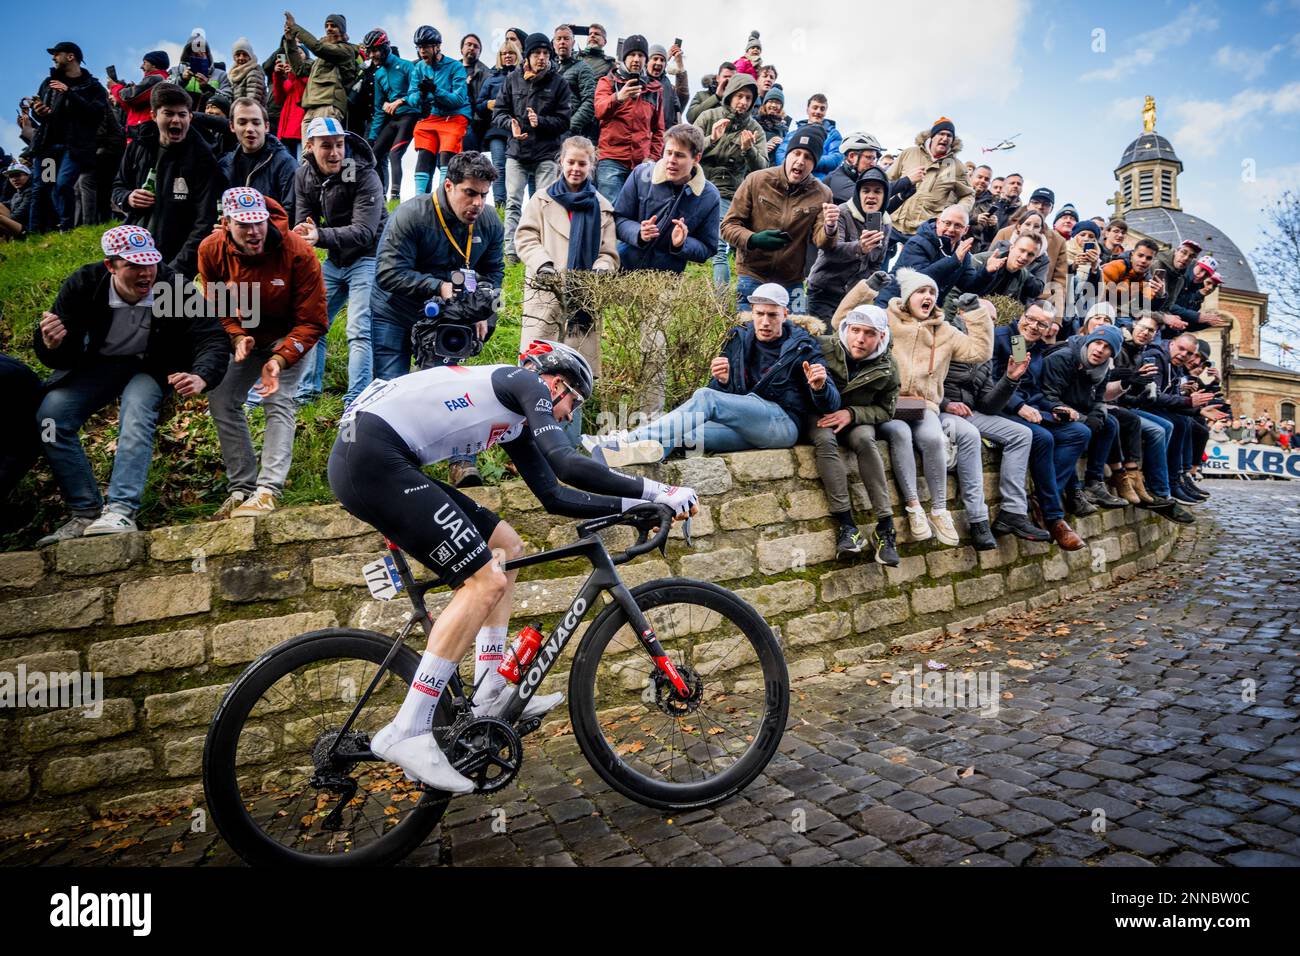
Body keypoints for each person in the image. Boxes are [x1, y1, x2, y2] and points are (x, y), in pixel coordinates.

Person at [328, 341, 698, 791]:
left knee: (505, 545)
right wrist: (657, 490)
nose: (567, 416)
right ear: (555, 383)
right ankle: (408, 728)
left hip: (380, 457)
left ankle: (487, 689)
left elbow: (556, 496)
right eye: (573, 403)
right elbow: (568, 463)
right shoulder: (523, 382)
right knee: (483, 581)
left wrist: (630, 506)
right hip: (372, 460)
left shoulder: (514, 418)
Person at [33, 226, 229, 543]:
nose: (145, 274)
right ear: (111, 266)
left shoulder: (171, 286)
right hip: (99, 366)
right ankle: (85, 512)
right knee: (51, 419)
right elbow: (58, 350)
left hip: (152, 367)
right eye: (134, 266)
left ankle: (121, 509)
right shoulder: (84, 284)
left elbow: (210, 337)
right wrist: (50, 344)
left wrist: (201, 375)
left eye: (149, 263)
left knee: (136, 411)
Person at [370, 151, 505, 490]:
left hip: (450, 318)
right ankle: (392, 469)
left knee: (455, 390)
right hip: (396, 313)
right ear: (448, 185)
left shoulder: (489, 222)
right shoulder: (411, 215)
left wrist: (483, 310)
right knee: (391, 391)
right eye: (470, 193)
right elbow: (387, 272)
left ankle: (462, 464)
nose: (478, 202)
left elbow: (494, 272)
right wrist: (437, 286)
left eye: (484, 195)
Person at [590, 284, 839, 464]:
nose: (764, 321)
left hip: (782, 425)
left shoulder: (803, 345)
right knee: (682, 431)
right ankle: (623, 458)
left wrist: (819, 387)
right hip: (746, 425)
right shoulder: (739, 338)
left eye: (772, 315)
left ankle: (626, 439)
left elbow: (832, 402)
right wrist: (722, 381)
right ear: (752, 312)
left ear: (785, 315)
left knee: (705, 397)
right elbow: (726, 397)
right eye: (759, 314)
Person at [201, 188, 327, 519]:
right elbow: (217, 304)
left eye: (258, 222)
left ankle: (268, 490)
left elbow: (313, 321)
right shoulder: (211, 250)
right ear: (226, 223)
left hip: (291, 334)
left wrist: (280, 358)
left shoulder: (298, 252)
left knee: (278, 397)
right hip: (248, 337)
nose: (254, 231)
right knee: (222, 398)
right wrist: (236, 335)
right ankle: (241, 487)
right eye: (244, 225)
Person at [874, 269, 996, 549]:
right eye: (921, 291)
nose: (927, 296)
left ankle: (939, 511)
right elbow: (842, 322)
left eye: (932, 292)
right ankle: (914, 508)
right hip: (886, 403)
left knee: (932, 438)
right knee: (900, 434)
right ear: (907, 297)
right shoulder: (887, 319)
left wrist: (975, 313)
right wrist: (868, 289)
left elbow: (980, 352)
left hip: (924, 405)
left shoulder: (945, 331)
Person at [515, 135, 618, 439]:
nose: (575, 168)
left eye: (582, 163)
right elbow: (525, 237)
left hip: (582, 304)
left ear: (592, 165)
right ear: (561, 162)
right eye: (570, 162)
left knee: (575, 374)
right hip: (546, 295)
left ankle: (568, 447)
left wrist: (598, 272)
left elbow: (608, 253)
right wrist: (543, 263)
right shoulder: (541, 199)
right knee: (536, 371)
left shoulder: (602, 207)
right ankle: (527, 443)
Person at [292, 117, 387, 406]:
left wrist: (318, 234)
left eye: (339, 145)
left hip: (369, 256)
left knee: (358, 328)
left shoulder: (364, 175)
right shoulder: (304, 175)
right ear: (310, 146)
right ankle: (306, 392)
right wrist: (303, 229)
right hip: (335, 259)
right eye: (326, 146)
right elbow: (302, 218)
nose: (335, 153)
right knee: (311, 323)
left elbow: (364, 231)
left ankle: (357, 398)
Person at [988, 302, 1090, 550]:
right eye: (1030, 319)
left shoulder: (1031, 348)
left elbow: (1032, 391)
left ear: (1049, 329)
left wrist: (1055, 408)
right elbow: (988, 383)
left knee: (1080, 432)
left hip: (1028, 409)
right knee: (1043, 438)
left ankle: (1045, 495)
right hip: (998, 409)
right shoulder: (1004, 338)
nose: (1033, 326)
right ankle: (1054, 517)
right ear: (1021, 316)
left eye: (1041, 324)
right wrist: (1018, 406)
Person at [809, 305, 903, 564]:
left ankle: (885, 526)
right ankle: (847, 527)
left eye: (869, 333)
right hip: (819, 415)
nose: (860, 339)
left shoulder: (888, 365)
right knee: (825, 440)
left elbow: (886, 409)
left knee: (864, 440)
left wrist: (851, 413)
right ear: (846, 329)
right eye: (855, 330)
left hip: (857, 417)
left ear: (881, 336)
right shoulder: (823, 347)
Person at [112, 82, 227, 278]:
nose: (176, 121)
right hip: (134, 255)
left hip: (176, 264)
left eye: (182, 114)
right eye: (168, 113)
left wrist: (175, 271)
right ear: (154, 115)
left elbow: (204, 222)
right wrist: (128, 198)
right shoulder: (138, 146)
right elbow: (118, 187)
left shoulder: (204, 159)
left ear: (190, 117)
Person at [721, 123, 833, 311]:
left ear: (814, 163)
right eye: (796, 153)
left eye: (808, 157)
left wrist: (830, 228)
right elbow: (728, 226)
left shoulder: (823, 194)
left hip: (792, 281)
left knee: (797, 332)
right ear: (787, 155)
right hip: (752, 274)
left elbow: (823, 243)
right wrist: (753, 239)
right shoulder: (756, 180)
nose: (800, 161)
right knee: (745, 332)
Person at [491, 34, 572, 265]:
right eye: (537, 53)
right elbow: (498, 113)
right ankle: (510, 254)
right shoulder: (512, 79)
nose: (542, 58)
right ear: (527, 55)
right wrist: (511, 125)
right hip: (516, 152)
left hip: (547, 153)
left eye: (546, 54)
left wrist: (542, 122)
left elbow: (565, 121)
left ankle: (542, 254)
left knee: (546, 204)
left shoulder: (559, 83)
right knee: (513, 202)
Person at [612, 122, 720, 274]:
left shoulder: (710, 195)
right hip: (623, 268)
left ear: (697, 158)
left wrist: (682, 244)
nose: (671, 160)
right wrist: (639, 232)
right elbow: (618, 220)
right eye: (668, 152)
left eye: (680, 155)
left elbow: (708, 248)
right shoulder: (641, 175)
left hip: (665, 280)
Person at [694, 71, 768, 288]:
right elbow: (687, 149)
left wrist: (749, 151)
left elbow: (762, 167)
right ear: (729, 95)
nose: (743, 102)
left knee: (720, 249)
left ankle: (721, 306)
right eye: (739, 96)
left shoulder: (755, 129)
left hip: (728, 192)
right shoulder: (709, 117)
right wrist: (711, 139)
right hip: (698, 185)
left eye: (748, 98)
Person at [26, 41, 109, 233]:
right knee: (43, 187)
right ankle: (34, 234)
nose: (53, 58)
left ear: (70, 56)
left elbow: (96, 114)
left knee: (63, 184)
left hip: (74, 147)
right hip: (48, 145)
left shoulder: (93, 87)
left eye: (57, 54)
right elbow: (41, 115)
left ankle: (66, 228)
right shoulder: (48, 83)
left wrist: (69, 93)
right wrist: (38, 111)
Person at [806, 166, 891, 322]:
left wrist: (871, 284)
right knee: (825, 341)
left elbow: (876, 263)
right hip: (824, 292)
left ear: (885, 196)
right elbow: (830, 251)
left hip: (853, 298)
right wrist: (860, 248)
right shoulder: (842, 213)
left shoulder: (885, 224)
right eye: (866, 190)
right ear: (858, 194)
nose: (871, 196)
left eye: (877, 191)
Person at [593, 34, 665, 203]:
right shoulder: (608, 82)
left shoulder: (655, 89)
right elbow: (599, 110)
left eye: (641, 55)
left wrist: (652, 158)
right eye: (632, 55)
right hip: (611, 160)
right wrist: (618, 97)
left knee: (637, 213)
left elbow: (659, 130)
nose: (636, 59)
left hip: (641, 164)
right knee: (608, 212)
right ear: (624, 57)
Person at [885, 117, 974, 239]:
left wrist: (956, 212)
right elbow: (887, 180)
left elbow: (968, 195)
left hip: (923, 231)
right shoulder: (909, 153)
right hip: (892, 222)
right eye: (941, 134)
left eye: (949, 136)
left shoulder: (957, 167)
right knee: (877, 257)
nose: (945, 138)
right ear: (932, 136)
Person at [410, 25, 472, 194]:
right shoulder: (419, 68)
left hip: (454, 116)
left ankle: (443, 198)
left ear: (437, 47)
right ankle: (419, 199)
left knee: (446, 155)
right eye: (419, 47)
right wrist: (421, 95)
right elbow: (411, 98)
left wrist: (435, 90)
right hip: (432, 116)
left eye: (426, 47)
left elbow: (458, 99)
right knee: (424, 154)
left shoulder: (455, 67)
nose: (422, 51)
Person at [362, 30, 419, 202]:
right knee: (374, 155)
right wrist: (372, 137)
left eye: (376, 50)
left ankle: (395, 197)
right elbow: (380, 109)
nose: (372, 55)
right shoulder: (378, 74)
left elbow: (417, 96)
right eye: (369, 51)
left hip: (409, 116)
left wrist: (400, 101)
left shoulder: (406, 66)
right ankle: (379, 198)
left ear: (386, 47)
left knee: (395, 154)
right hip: (393, 120)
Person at [219, 98, 297, 221]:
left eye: (256, 123)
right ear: (232, 126)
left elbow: (290, 213)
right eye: (242, 122)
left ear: (266, 126)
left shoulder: (285, 164)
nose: (250, 128)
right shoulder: (225, 164)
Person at [285, 11, 360, 135]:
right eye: (327, 26)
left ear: (341, 30)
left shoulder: (345, 50)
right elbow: (299, 70)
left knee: (324, 150)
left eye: (333, 26)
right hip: (310, 107)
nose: (329, 29)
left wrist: (295, 28)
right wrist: (290, 41)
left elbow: (317, 48)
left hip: (328, 105)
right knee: (307, 153)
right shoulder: (320, 58)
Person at [476, 40, 520, 207]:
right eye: (504, 53)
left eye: (511, 53)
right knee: (498, 166)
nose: (507, 56)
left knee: (515, 169)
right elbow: (479, 106)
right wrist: (488, 104)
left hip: (518, 129)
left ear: (517, 55)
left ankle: (514, 205)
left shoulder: (523, 75)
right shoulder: (491, 79)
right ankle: (500, 204)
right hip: (496, 130)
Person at [774, 94, 842, 182]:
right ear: (807, 110)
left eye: (822, 109)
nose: (818, 112)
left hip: (817, 183)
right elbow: (781, 153)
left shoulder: (833, 134)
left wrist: (809, 162)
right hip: (789, 180)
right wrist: (792, 165)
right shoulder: (793, 133)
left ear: (825, 112)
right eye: (815, 107)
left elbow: (835, 159)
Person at [109, 52, 172, 141]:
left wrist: (114, 87)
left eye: (145, 62)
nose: (141, 66)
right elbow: (130, 106)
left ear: (154, 64)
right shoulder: (162, 79)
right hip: (139, 131)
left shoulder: (155, 79)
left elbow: (128, 97)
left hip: (143, 133)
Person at [552, 25, 597, 142]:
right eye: (559, 39)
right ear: (553, 44)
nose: (562, 42)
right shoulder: (548, 69)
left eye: (566, 39)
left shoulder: (583, 68)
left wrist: (570, 126)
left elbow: (590, 101)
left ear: (573, 43)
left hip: (569, 134)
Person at [825, 132, 884, 204]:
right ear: (851, 156)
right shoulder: (836, 178)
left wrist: (900, 196)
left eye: (874, 159)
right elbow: (869, 200)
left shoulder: (855, 177)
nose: (873, 164)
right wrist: (901, 183)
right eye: (869, 157)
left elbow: (882, 207)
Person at [648, 43, 689, 130]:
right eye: (655, 59)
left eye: (662, 60)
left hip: (664, 136)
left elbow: (683, 97)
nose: (659, 62)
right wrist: (666, 56)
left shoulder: (668, 87)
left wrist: (679, 63)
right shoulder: (640, 80)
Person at [460, 34, 490, 151]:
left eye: (476, 46)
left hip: (474, 122)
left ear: (479, 52)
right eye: (469, 44)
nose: (472, 48)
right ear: (461, 49)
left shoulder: (487, 73)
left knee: (469, 158)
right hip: (450, 118)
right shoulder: (451, 68)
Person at [0, 162, 32, 239]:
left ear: (28, 175)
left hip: (25, 229)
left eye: (18, 175)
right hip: (17, 225)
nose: (14, 179)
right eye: (11, 176)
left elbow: (19, 216)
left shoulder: (31, 192)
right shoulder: (16, 194)